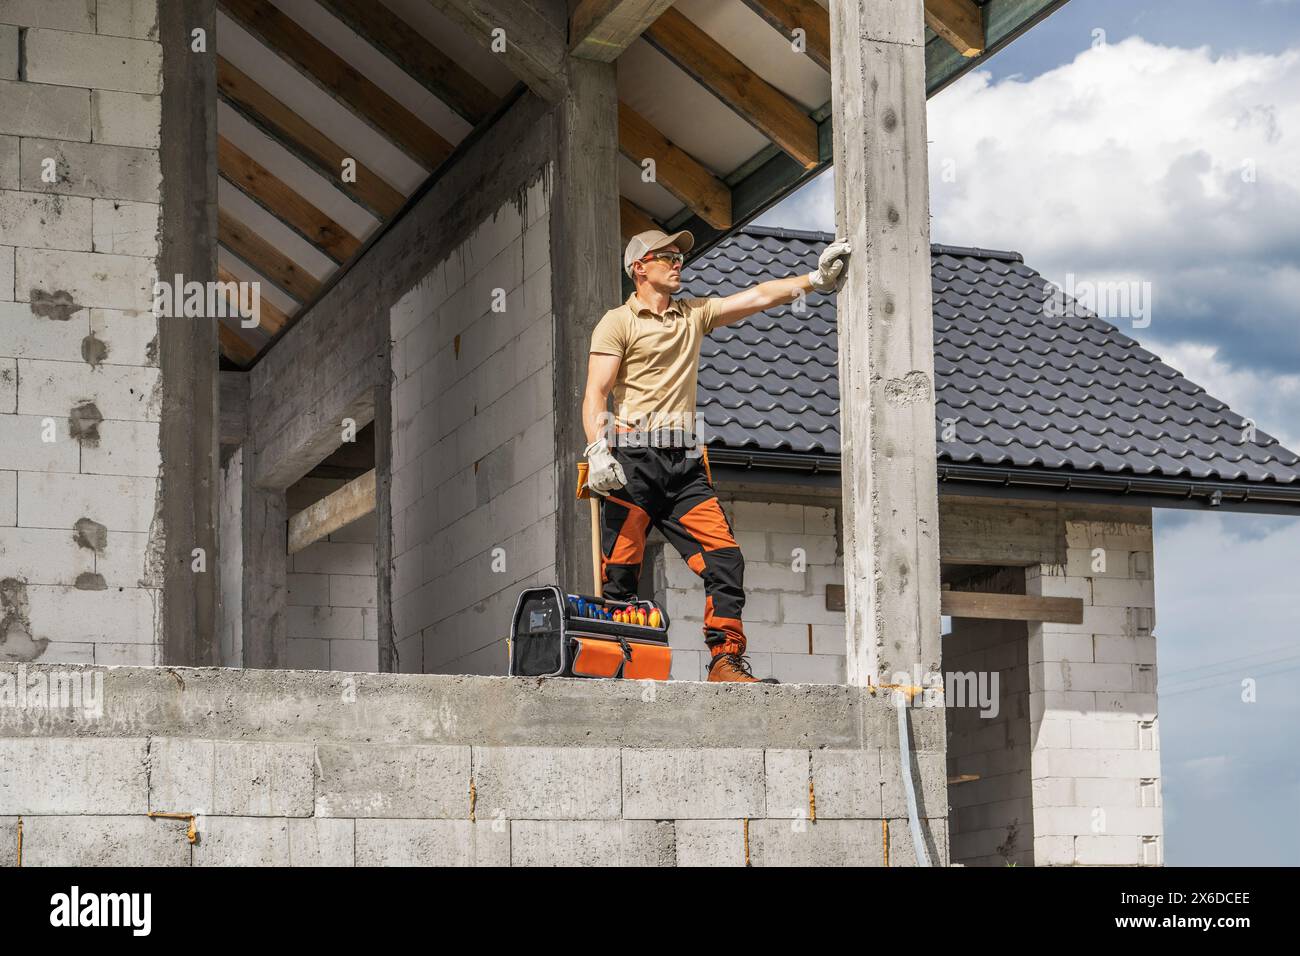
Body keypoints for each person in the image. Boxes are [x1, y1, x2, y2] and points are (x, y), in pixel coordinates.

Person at [582, 228, 851, 682]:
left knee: (725, 559)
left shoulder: (695, 314)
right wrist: (597, 448)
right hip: (632, 461)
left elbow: (758, 296)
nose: (677, 262)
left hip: (684, 462)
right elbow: (596, 392)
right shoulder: (618, 322)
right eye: (666, 255)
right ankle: (617, 668)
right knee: (621, 570)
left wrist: (814, 281)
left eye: (679, 255)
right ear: (639, 267)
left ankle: (724, 661)